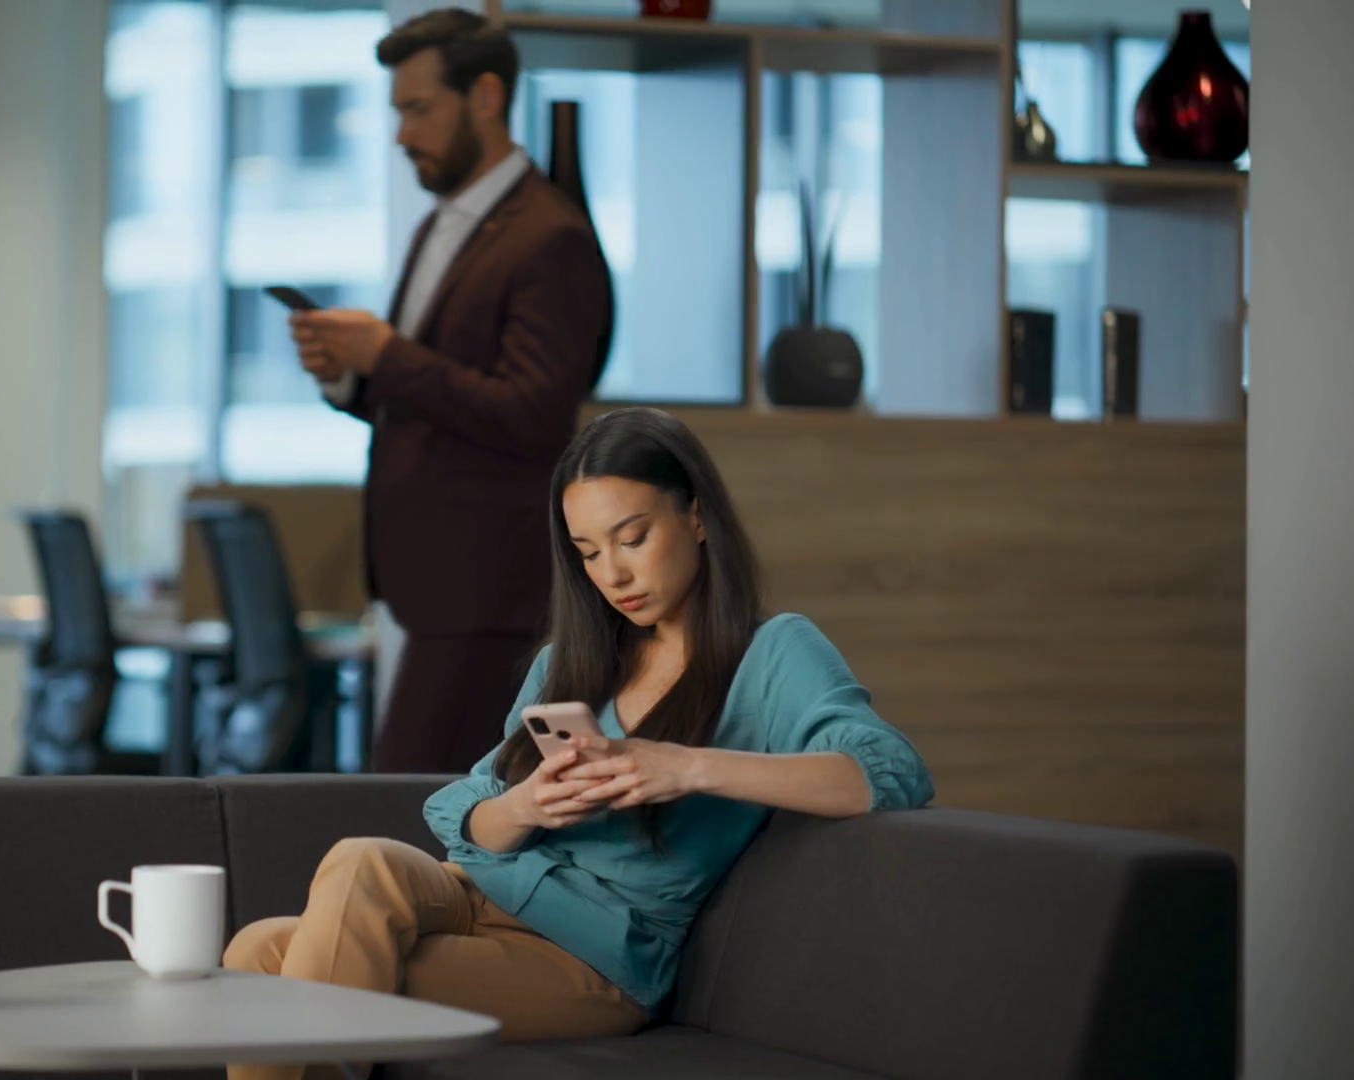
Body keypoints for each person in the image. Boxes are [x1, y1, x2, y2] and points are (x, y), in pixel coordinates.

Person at [222, 407, 936, 1080]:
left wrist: (686, 768)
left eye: (632, 539)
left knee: (265, 960)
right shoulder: (572, 661)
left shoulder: (773, 652)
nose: (613, 575)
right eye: (589, 552)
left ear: (696, 516)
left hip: (590, 958)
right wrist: (528, 806)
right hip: (486, 892)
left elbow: (888, 774)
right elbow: (469, 807)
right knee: (352, 865)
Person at [290, 8, 613, 774]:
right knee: (430, 803)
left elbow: (534, 413)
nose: (401, 134)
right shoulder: (443, 227)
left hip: (488, 592)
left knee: (404, 799)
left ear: (486, 98)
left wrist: (387, 354)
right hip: (433, 588)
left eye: (418, 109)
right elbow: (433, 399)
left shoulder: (549, 236)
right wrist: (349, 373)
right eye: (397, 112)